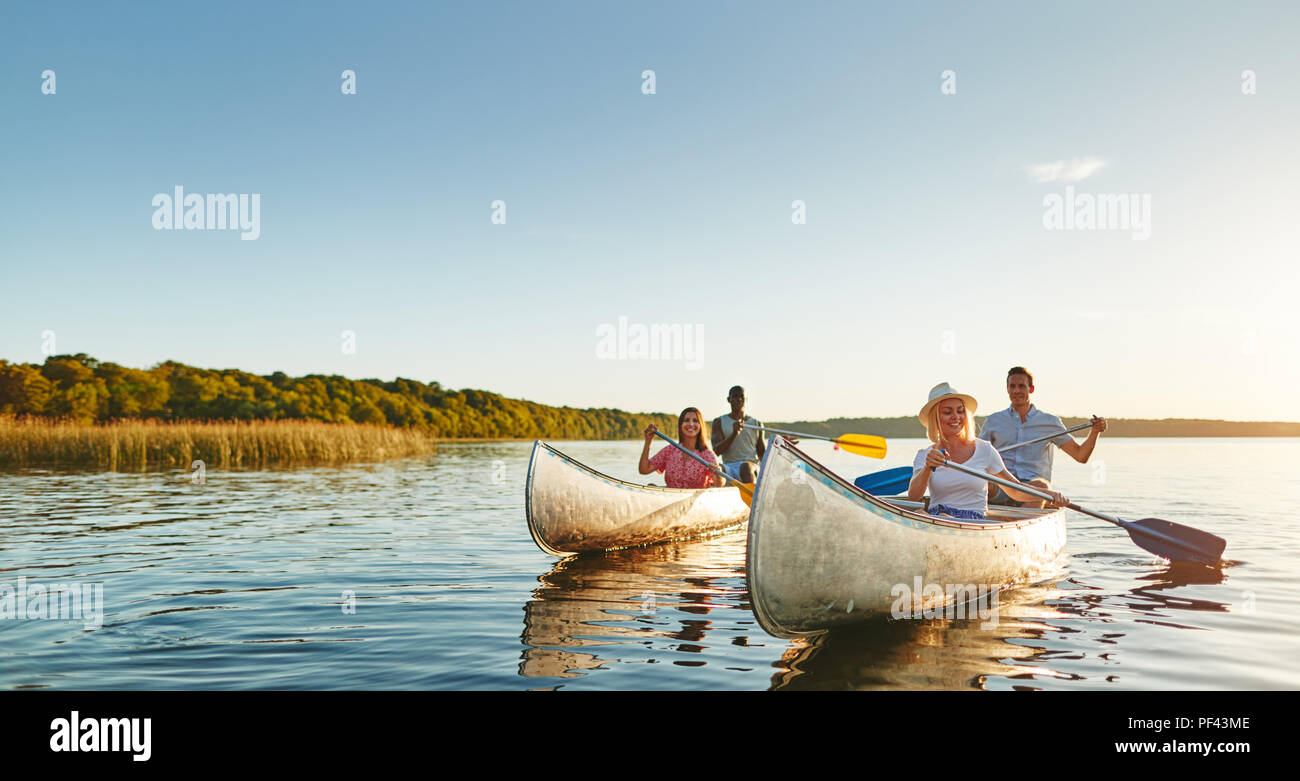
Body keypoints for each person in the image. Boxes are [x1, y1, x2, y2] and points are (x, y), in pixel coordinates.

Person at [908, 382, 1067, 520]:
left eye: (960, 411)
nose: (956, 417)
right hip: (936, 519)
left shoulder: (984, 449)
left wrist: (1050, 496)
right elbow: (914, 497)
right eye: (948, 412)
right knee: (921, 513)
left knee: (940, 517)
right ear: (935, 418)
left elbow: (1014, 489)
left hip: (973, 520)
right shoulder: (924, 455)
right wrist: (928, 468)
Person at [979, 366, 1108, 508]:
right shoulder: (993, 421)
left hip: (1036, 490)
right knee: (983, 482)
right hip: (1004, 487)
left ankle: (1020, 521)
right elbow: (978, 457)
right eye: (1012, 386)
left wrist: (1095, 432)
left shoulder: (1050, 422)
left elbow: (1080, 456)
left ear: (1031, 389)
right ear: (1007, 389)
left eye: (1021, 386)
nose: (1016, 391)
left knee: (1042, 485)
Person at [640, 407, 724, 489]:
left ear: (700, 425)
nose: (691, 424)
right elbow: (644, 469)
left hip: (695, 501)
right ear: (681, 425)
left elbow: (719, 484)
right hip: (671, 498)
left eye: (695, 421)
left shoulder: (707, 454)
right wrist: (648, 441)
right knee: (650, 486)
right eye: (686, 420)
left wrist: (718, 474)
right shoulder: (670, 450)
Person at [711, 385, 764, 483]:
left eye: (742, 397)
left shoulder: (756, 424)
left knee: (745, 467)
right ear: (729, 399)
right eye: (735, 396)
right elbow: (716, 451)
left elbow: (763, 455)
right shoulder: (718, 422)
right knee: (716, 469)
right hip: (729, 466)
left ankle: (751, 496)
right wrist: (734, 434)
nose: (739, 399)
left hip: (751, 466)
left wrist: (781, 444)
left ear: (746, 399)